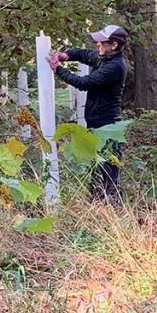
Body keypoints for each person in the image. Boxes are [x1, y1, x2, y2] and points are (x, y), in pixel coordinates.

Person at [46, 24, 129, 202]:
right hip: (96, 121)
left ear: (113, 45)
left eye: (101, 43)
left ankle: (109, 206)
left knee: (107, 167)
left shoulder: (115, 67)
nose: (97, 45)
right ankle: (97, 203)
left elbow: (84, 83)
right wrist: (66, 55)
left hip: (107, 124)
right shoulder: (103, 57)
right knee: (96, 166)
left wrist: (58, 69)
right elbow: (84, 55)